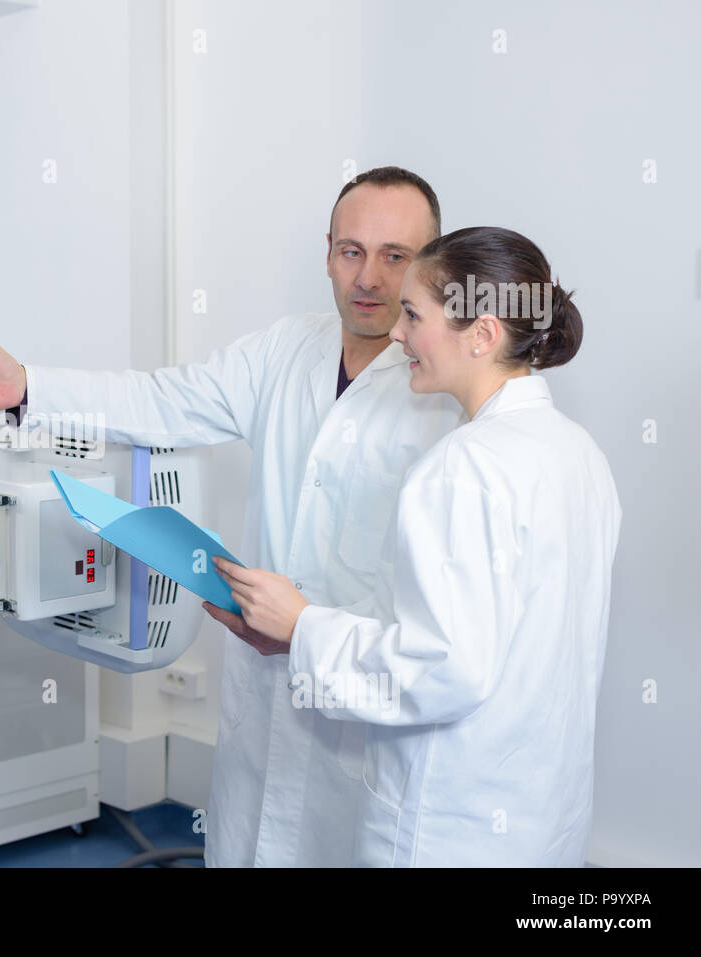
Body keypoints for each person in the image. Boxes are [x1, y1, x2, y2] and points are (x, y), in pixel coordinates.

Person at [0, 167, 463, 866]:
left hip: (361, 699)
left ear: (433, 266)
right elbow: (162, 400)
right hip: (265, 684)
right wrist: (30, 387)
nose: (371, 278)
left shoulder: (444, 391)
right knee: (248, 840)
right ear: (327, 253)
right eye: (352, 250)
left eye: (397, 256)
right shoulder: (286, 350)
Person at [214, 226, 621, 865]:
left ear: (481, 334)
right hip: (537, 811)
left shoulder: (463, 466)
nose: (398, 335)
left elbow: (441, 668)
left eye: (414, 314)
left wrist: (303, 626)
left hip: (447, 824)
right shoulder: (577, 454)